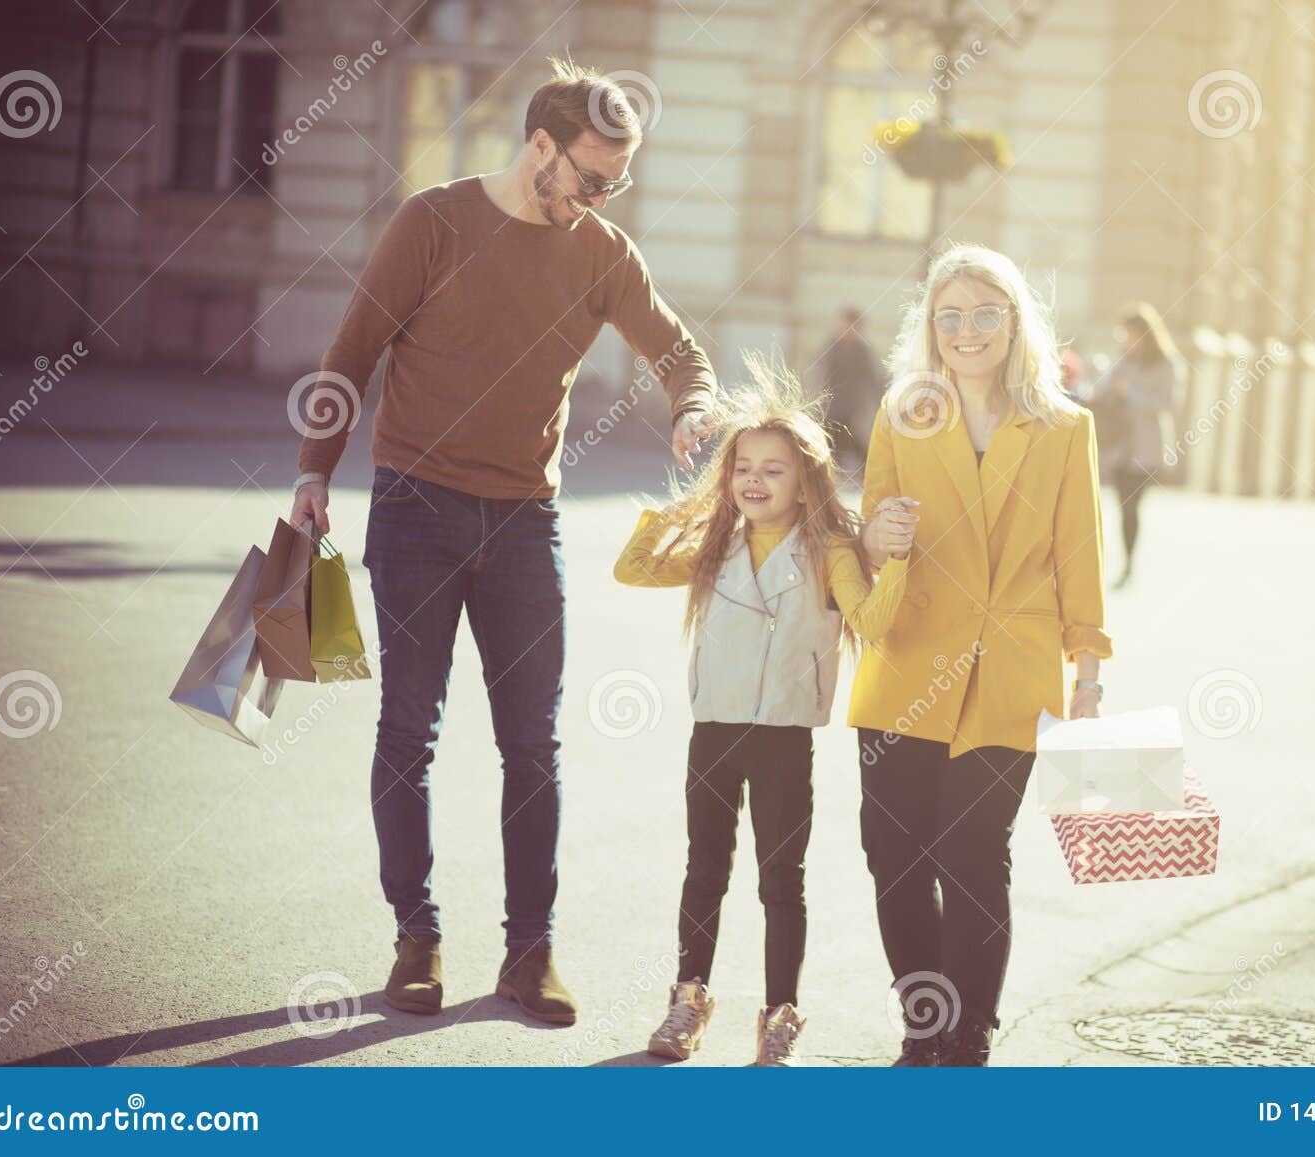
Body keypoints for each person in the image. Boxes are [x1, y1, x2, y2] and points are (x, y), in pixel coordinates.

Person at [287, 59, 718, 1025]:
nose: (601, 198)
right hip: (415, 507)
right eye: (592, 178)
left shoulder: (601, 251)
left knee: (533, 745)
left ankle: (530, 952)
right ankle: (417, 936)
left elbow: (679, 349)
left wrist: (692, 405)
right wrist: (315, 470)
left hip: (525, 520)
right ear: (541, 147)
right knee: (409, 731)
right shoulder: (433, 223)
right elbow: (353, 349)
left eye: (616, 184)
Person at [852, 244, 1113, 1067]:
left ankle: (968, 1040)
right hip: (908, 664)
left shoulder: (1064, 428)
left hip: (1009, 674)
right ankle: (924, 1025)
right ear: (931, 328)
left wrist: (1089, 677)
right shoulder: (902, 413)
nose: (967, 331)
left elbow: (1080, 554)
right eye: (950, 316)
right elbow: (866, 540)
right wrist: (879, 533)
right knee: (894, 856)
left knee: (970, 854)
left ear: (1015, 322)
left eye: (985, 313)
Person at [613, 356, 908, 1065]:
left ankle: (780, 1016)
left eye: (774, 470)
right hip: (713, 733)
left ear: (806, 480)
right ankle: (689, 1000)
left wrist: (895, 560)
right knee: (704, 870)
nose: (755, 480)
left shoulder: (830, 549)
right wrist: (694, 506)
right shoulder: (717, 544)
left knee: (781, 882)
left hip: (783, 740)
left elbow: (871, 620)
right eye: (743, 467)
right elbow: (634, 567)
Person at [1099, 303, 1184, 588]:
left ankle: (1129, 563)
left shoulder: (1166, 363)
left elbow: (1168, 403)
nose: (1128, 341)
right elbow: (1106, 392)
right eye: (1124, 335)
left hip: (1147, 448)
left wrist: (1132, 394)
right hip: (1120, 447)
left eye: (1132, 335)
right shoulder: (1123, 361)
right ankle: (1124, 563)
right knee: (1123, 505)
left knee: (1132, 506)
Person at [818, 307, 886, 466]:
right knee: (830, 442)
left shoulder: (863, 351)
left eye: (854, 326)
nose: (849, 330)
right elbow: (819, 374)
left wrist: (881, 403)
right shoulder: (831, 347)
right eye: (847, 325)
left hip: (853, 408)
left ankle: (867, 468)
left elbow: (874, 380)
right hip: (831, 406)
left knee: (853, 441)